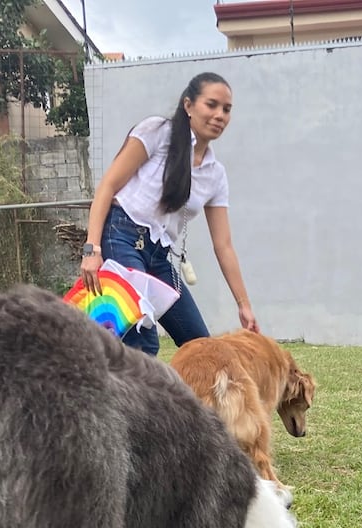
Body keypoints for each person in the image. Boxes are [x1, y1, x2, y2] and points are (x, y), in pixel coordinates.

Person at [80, 71, 259, 356]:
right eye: (211, 105)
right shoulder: (157, 132)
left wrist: (244, 304)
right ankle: (130, 400)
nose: (220, 115)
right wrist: (92, 249)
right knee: (142, 341)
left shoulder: (215, 174)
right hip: (121, 237)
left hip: (159, 255)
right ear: (188, 105)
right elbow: (107, 187)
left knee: (202, 348)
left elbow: (223, 245)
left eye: (226, 109)